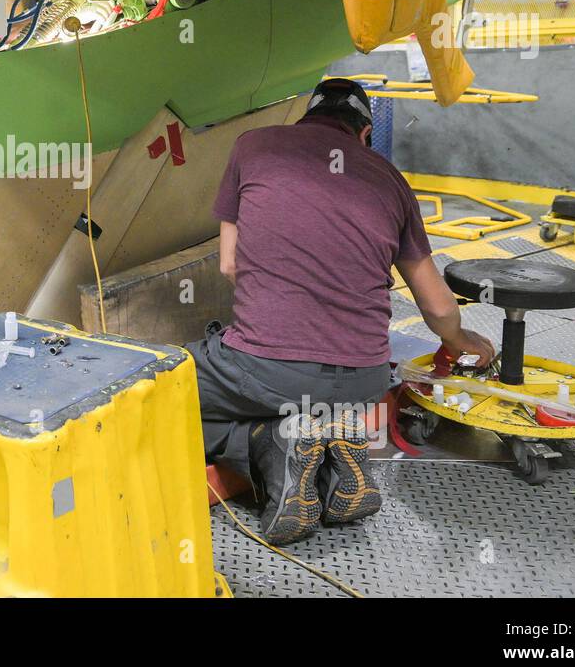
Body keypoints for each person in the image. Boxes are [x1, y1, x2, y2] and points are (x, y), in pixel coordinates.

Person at [187, 77, 495, 544]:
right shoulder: (391, 181)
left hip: (266, 371)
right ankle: (331, 460)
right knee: (302, 396)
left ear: (305, 116)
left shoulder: (254, 145)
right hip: (365, 381)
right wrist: (463, 343)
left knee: (161, 391)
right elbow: (435, 304)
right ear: (365, 133)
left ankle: (272, 442)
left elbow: (230, 265)